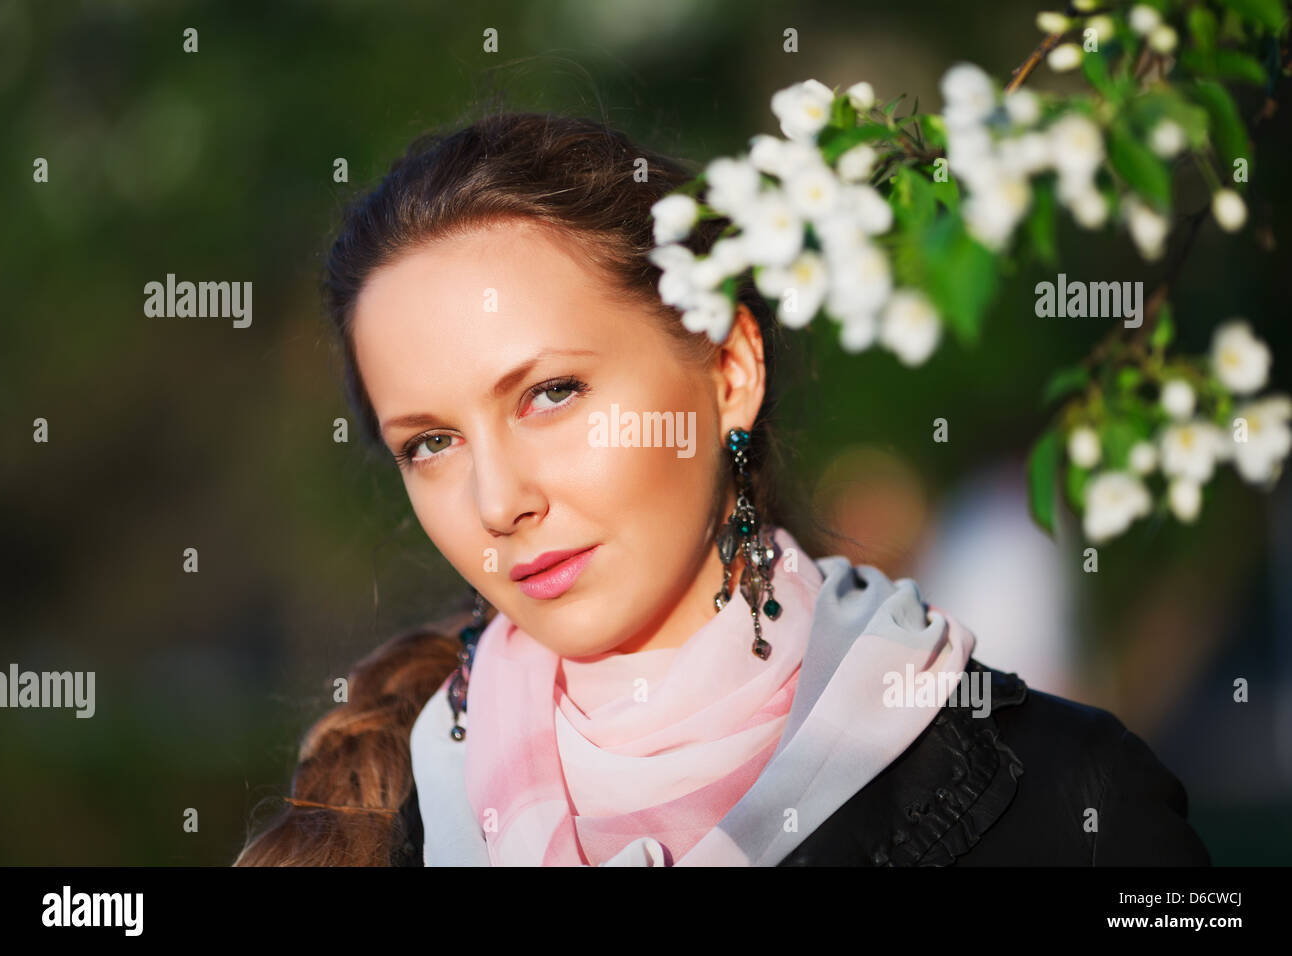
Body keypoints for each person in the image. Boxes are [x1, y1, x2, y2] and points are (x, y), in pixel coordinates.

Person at [233, 110, 1211, 867]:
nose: (498, 501)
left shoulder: (1066, 800)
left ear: (729, 369)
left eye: (551, 392)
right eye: (431, 442)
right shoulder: (388, 819)